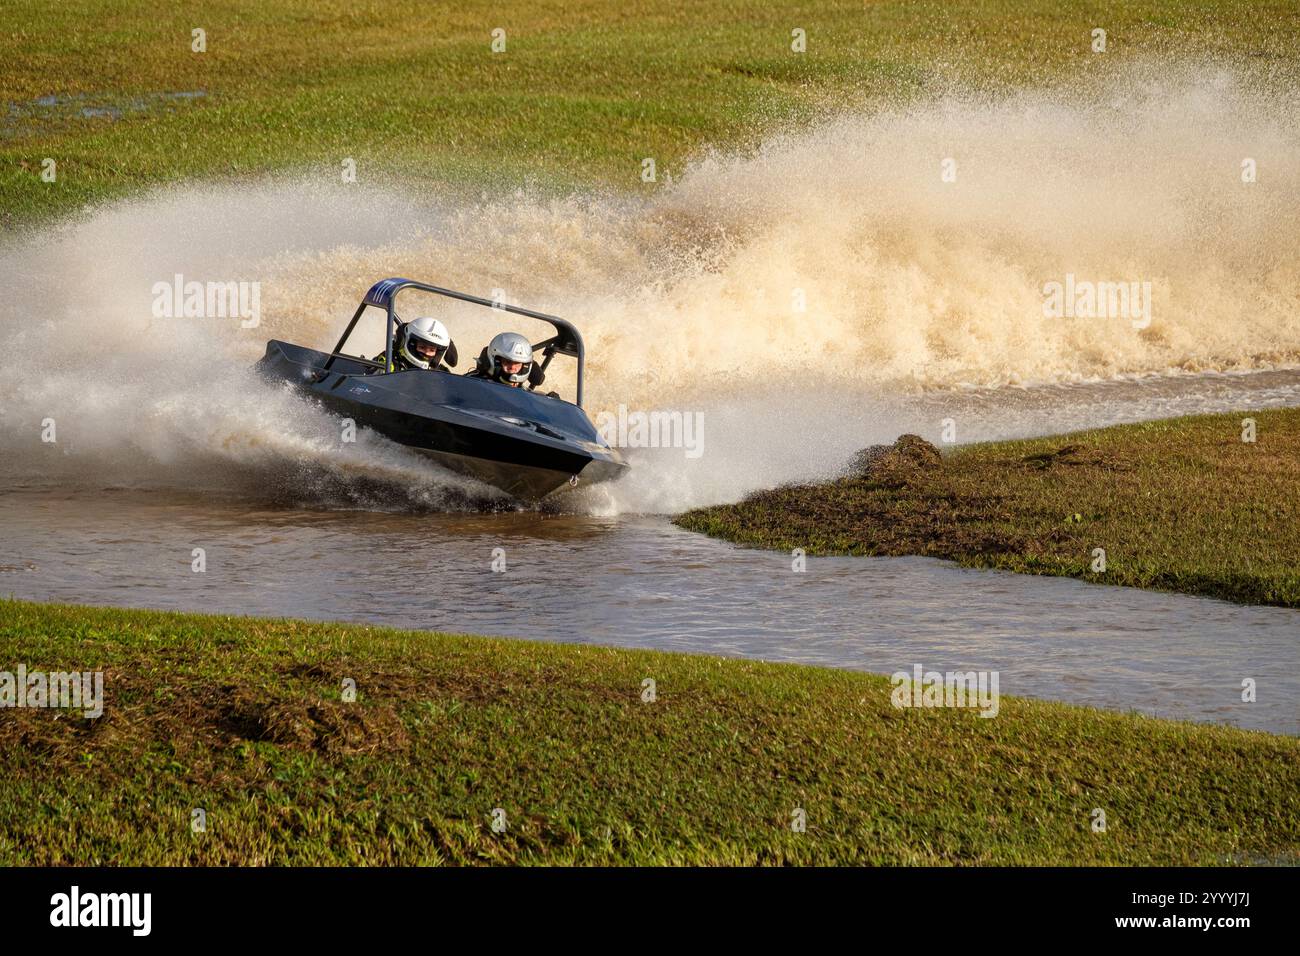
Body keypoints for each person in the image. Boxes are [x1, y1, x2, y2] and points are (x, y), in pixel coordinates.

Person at [372, 316, 452, 372]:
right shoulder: (390, 361)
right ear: (411, 344)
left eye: (432, 350)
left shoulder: (440, 372)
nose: (427, 353)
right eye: (422, 347)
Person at [469, 332, 533, 388]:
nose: (512, 367)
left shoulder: (526, 395)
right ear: (497, 361)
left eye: (517, 363)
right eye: (508, 362)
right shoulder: (473, 383)